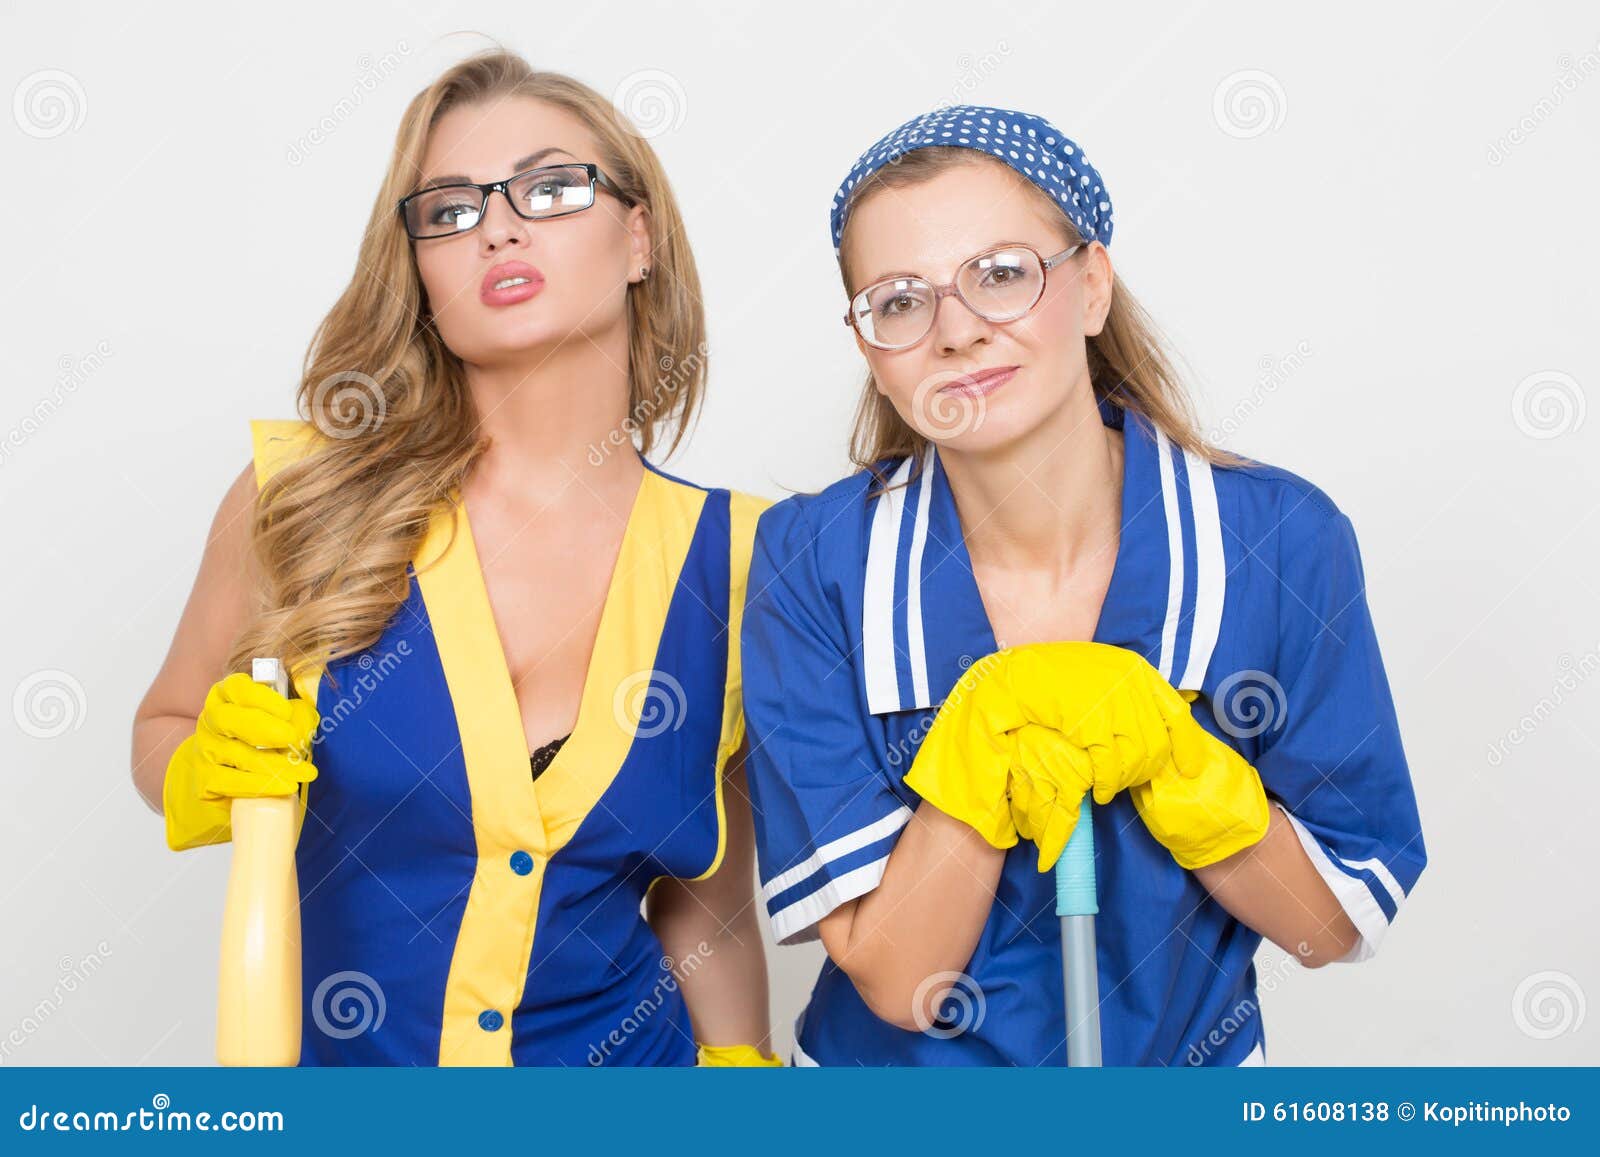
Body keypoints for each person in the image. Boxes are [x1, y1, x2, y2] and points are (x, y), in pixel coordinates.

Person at [741, 104, 1427, 1066]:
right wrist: (974, 766)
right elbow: (898, 981)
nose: (958, 331)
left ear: (1093, 285)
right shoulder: (812, 564)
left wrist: (1183, 768)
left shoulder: (1279, 542)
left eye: (1002, 275)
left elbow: (1329, 929)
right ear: (868, 345)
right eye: (900, 299)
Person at [131, 49, 778, 1067]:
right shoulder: (300, 496)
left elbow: (706, 895)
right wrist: (201, 767)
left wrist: (742, 1067)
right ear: (421, 270)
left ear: (640, 236)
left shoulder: (747, 558)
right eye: (449, 209)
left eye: (553, 188)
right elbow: (164, 724)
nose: (500, 226)